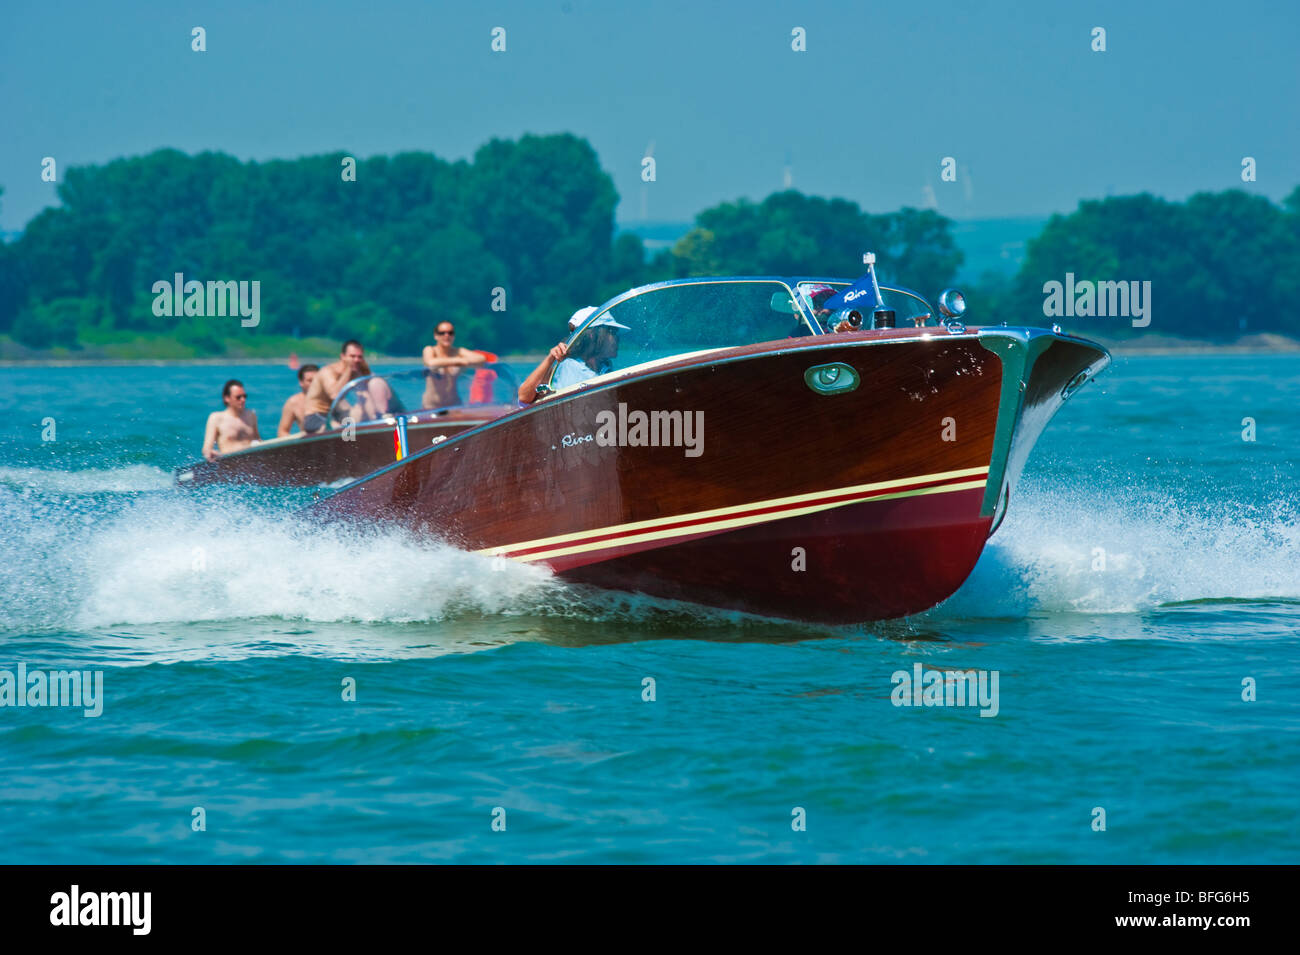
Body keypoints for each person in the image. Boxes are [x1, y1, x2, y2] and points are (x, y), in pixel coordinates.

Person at [518, 311, 629, 404]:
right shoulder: (565, 366)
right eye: (612, 332)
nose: (617, 338)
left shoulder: (605, 368)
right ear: (592, 334)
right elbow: (524, 396)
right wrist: (550, 358)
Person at [302, 340, 371, 432]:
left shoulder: (358, 370)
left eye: (359, 357)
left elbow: (369, 388)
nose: (356, 360)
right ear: (342, 356)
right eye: (352, 356)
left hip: (337, 414)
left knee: (366, 418)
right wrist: (348, 369)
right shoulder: (328, 371)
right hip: (317, 415)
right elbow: (334, 394)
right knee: (338, 429)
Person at [421, 321, 488, 408]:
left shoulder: (458, 351)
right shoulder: (430, 350)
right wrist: (458, 361)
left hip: (454, 405)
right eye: (442, 333)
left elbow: (481, 359)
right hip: (431, 406)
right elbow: (430, 362)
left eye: (450, 333)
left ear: (454, 336)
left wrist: (461, 360)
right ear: (435, 336)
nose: (447, 336)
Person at [202, 380, 260, 461]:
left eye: (244, 396)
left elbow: (258, 441)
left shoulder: (251, 415)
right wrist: (210, 453)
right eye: (238, 397)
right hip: (229, 464)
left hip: (250, 462)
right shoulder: (216, 418)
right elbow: (207, 448)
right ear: (227, 398)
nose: (243, 400)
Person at [276, 364, 319, 437]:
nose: (314, 383)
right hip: (310, 443)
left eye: (316, 380)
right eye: (309, 380)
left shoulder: (330, 398)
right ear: (301, 382)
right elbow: (282, 431)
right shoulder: (293, 402)